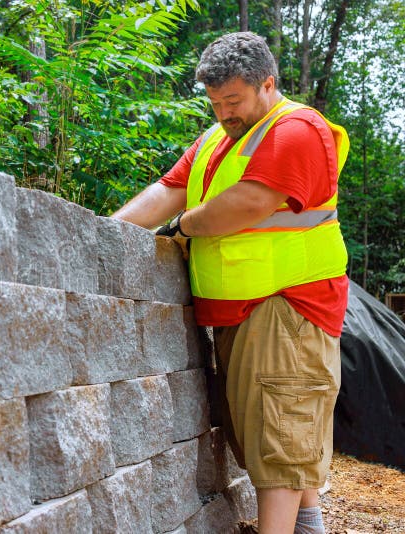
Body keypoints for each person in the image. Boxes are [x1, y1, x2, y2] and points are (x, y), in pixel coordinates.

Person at [112, 32, 349, 534]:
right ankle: (308, 526)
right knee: (274, 428)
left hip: (287, 306)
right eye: (216, 102)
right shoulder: (217, 140)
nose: (224, 112)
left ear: (268, 84)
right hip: (245, 309)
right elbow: (169, 189)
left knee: (281, 434)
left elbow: (251, 201)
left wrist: (184, 227)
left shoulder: (297, 129)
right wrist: (103, 231)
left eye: (234, 101)